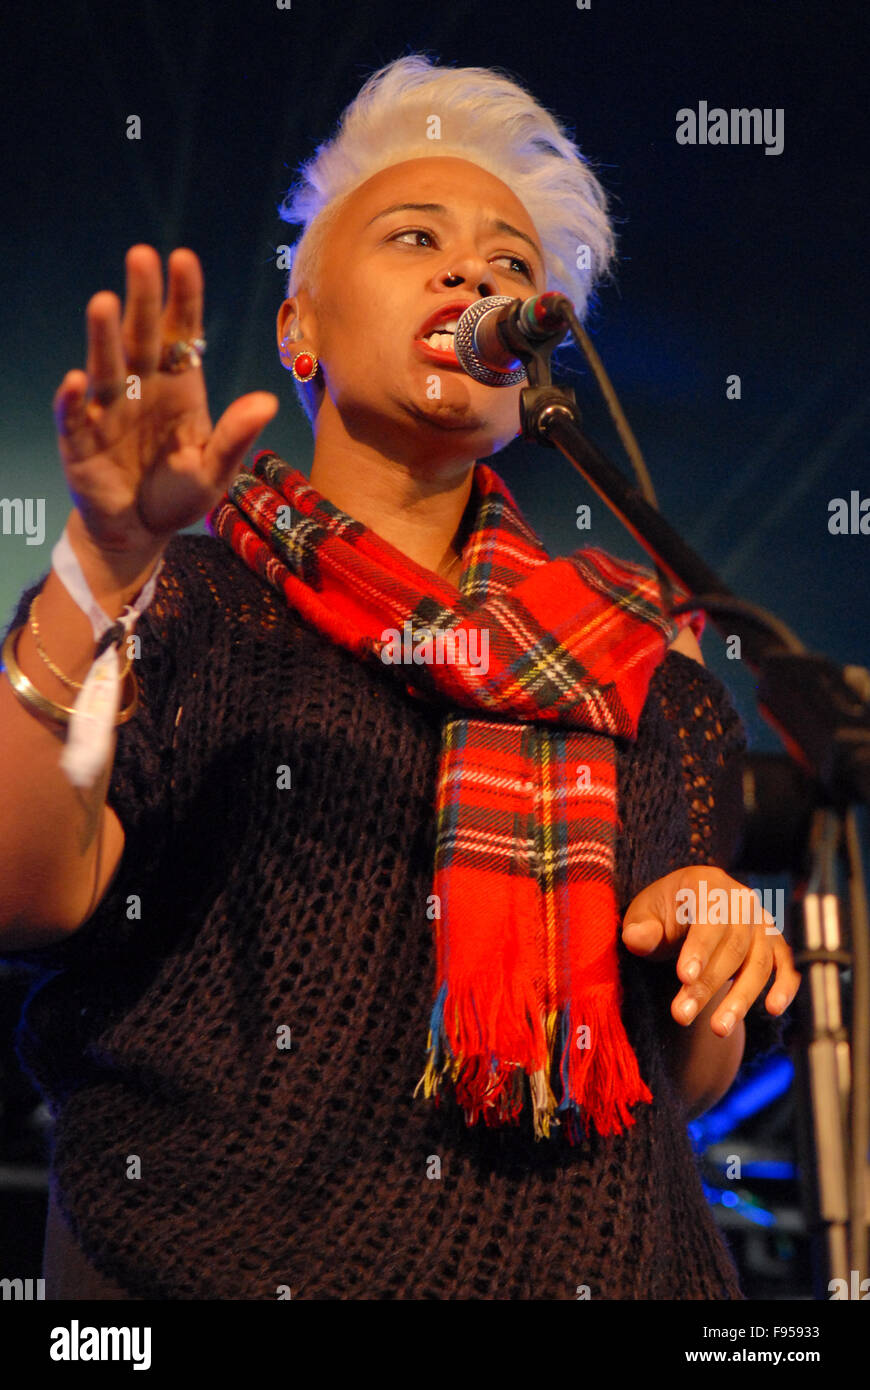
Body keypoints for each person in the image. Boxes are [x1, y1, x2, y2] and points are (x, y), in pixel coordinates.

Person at [0, 53, 798, 1300]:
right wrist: (103, 564)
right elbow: (24, 892)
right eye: (414, 235)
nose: (474, 273)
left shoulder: (648, 664)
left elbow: (683, 1079)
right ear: (297, 325)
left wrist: (712, 947)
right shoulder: (193, 602)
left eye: (512, 267)